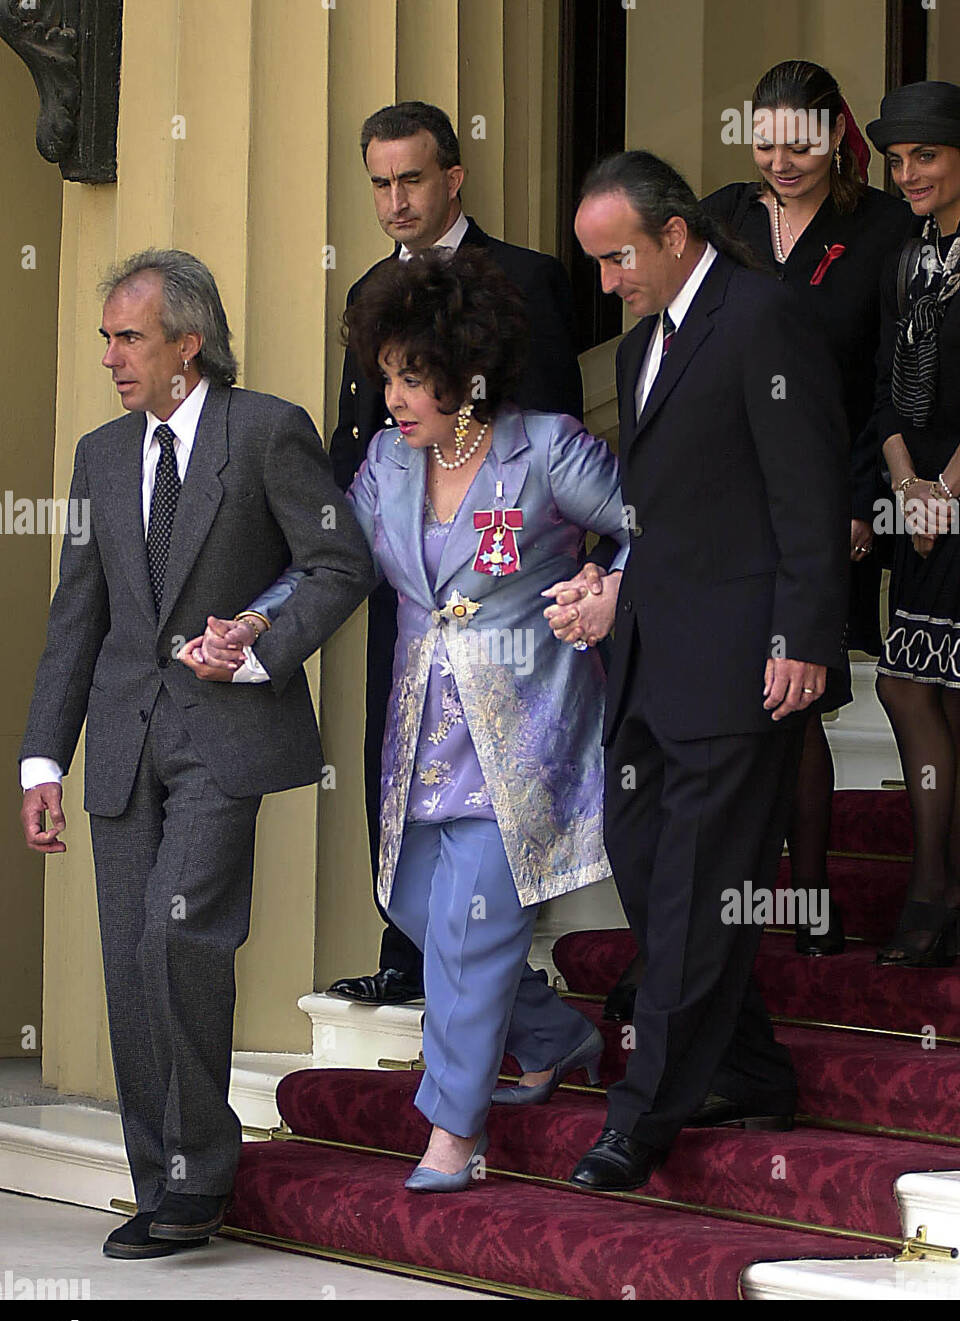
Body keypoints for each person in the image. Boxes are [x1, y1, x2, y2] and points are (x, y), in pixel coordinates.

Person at [184, 249, 628, 1190]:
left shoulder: (546, 448)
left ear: (469, 373)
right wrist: (256, 622)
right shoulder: (385, 464)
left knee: (470, 923)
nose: (393, 396)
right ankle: (552, 1034)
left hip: (525, 729)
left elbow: (654, 519)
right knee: (417, 905)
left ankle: (452, 1134)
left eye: (413, 377)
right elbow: (329, 564)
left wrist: (609, 582)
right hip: (422, 731)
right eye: (386, 374)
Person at [18, 250, 373, 1257]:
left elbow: (341, 561)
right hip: (124, 744)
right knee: (132, 969)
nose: (110, 358)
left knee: (177, 940)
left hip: (226, 736)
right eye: (105, 339)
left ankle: (197, 1179)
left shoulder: (266, 430)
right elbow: (74, 620)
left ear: (188, 343)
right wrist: (43, 760)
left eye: (128, 337)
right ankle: (159, 1186)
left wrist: (262, 645)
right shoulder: (97, 454)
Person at [595, 63, 913, 1014]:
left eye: (801, 142)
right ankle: (714, 972)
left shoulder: (881, 230)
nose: (781, 161)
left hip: (835, 481)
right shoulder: (725, 214)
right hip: (732, 514)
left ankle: (809, 894)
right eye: (765, 140)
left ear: (838, 139)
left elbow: (879, 376)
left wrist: (857, 499)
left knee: (797, 704)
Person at [557, 152, 848, 1192]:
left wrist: (807, 637)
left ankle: (640, 1122)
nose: (606, 282)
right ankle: (753, 1065)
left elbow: (806, 488)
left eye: (616, 257)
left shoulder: (762, 318)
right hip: (646, 662)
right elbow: (664, 513)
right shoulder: (643, 344)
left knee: (691, 894)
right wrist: (611, 587)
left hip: (740, 664)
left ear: (674, 235)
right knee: (650, 869)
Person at [325, 101, 586, 1009]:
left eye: (412, 179)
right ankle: (409, 955)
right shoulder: (367, 291)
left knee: (493, 795)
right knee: (392, 762)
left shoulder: (525, 277)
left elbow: (547, 439)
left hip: (504, 598)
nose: (395, 199)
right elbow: (357, 443)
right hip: (402, 573)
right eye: (381, 183)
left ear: (453, 178)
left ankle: (486, 981)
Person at [866, 81, 960, 967]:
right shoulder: (908, 255)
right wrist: (908, 484)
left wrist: (943, 492)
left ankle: (937, 893)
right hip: (920, 502)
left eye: (925, 155)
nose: (908, 174)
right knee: (906, 685)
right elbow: (884, 390)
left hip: (955, 500)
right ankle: (935, 885)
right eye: (897, 161)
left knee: (945, 694)